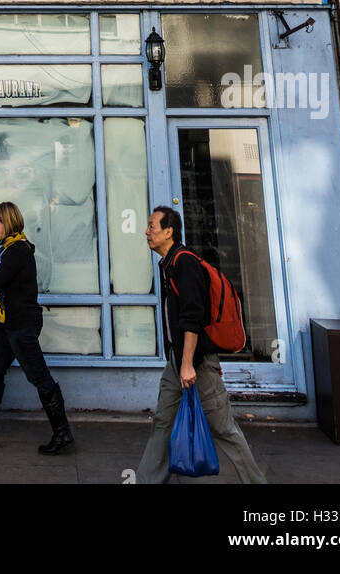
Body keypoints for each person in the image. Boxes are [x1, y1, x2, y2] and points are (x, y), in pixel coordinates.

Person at [135, 205, 267, 484]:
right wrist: (177, 362)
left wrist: (186, 365)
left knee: (224, 429)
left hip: (197, 364)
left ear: (169, 231)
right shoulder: (169, 264)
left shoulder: (185, 264)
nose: (147, 232)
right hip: (177, 362)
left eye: (152, 226)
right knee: (162, 424)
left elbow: (193, 319)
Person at [0, 200, 74, 456]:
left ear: (6, 223)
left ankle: (62, 432)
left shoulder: (18, 250)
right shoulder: (9, 249)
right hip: (10, 326)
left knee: (39, 377)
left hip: (22, 326)